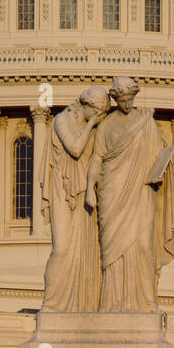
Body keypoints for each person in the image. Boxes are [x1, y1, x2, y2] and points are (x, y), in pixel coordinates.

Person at [85, 76, 174, 312]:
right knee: (112, 252)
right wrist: (88, 189)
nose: (127, 104)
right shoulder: (106, 125)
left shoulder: (146, 122)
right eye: (122, 100)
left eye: (130, 99)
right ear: (115, 99)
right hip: (112, 192)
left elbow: (157, 156)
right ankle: (112, 303)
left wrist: (161, 171)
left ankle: (146, 301)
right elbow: (97, 158)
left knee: (143, 246)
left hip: (142, 191)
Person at [40, 88, 110, 311]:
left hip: (85, 193)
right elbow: (76, 149)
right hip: (63, 186)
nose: (100, 118)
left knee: (85, 253)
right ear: (88, 106)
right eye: (98, 113)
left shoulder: (95, 127)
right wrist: (92, 124)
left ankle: (82, 306)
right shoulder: (62, 120)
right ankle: (51, 305)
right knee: (61, 249)